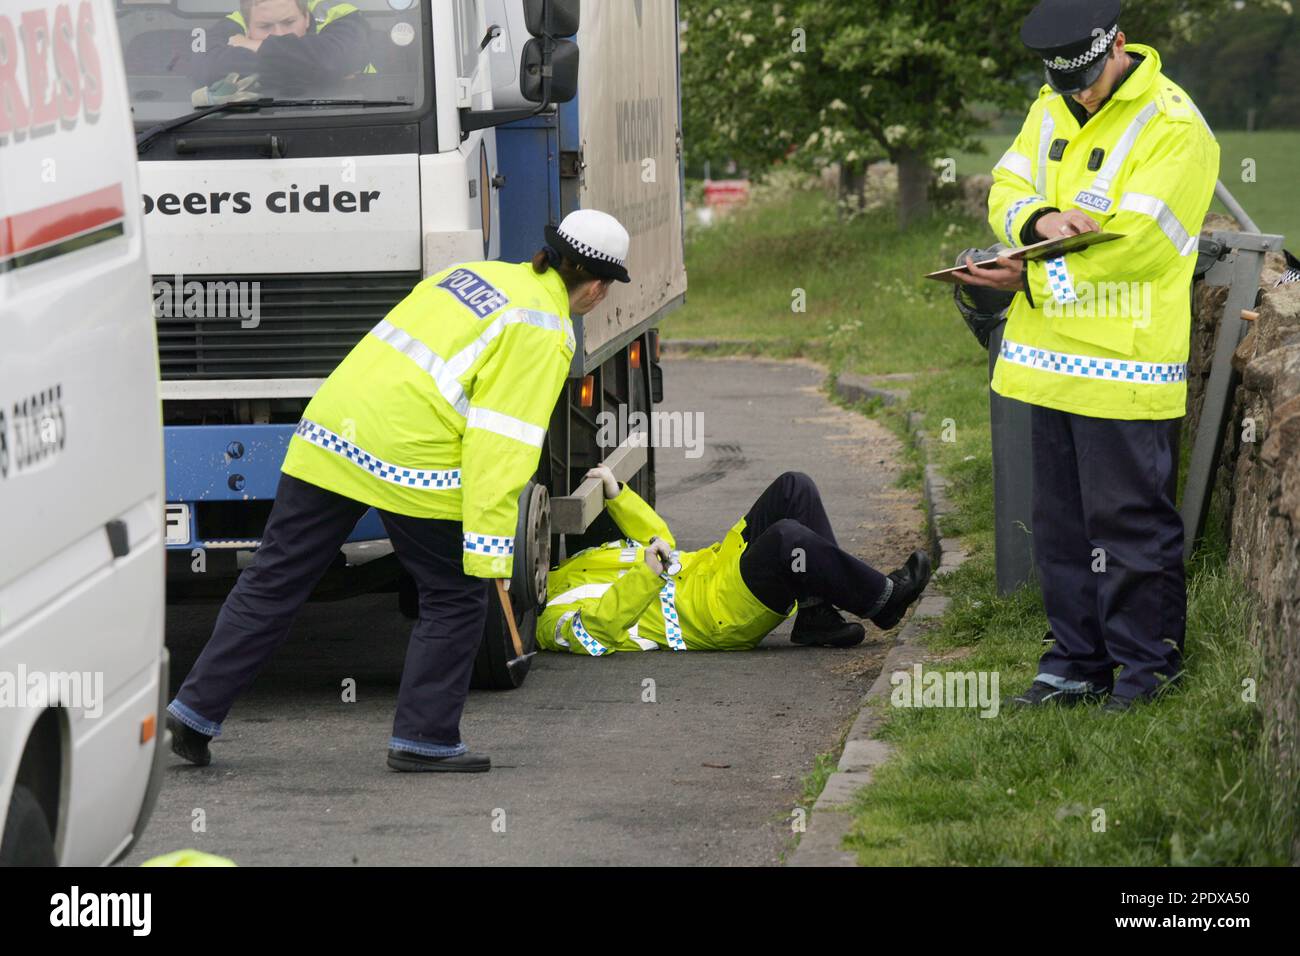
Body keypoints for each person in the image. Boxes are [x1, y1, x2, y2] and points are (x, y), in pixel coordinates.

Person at [165, 209, 632, 773]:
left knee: (274, 577)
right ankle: (424, 739)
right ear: (598, 286)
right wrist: (490, 554)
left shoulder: (471, 275)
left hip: (333, 430)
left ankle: (194, 712)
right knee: (455, 596)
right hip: (411, 454)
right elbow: (500, 444)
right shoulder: (544, 330)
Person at [956, 0, 1219, 711]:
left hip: (1125, 369)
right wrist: (1040, 219)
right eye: (1067, 82)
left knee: (1129, 527)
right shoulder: (1052, 104)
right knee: (1063, 530)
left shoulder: (1173, 125)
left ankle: (1147, 672)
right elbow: (1007, 187)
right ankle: (1075, 663)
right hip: (1049, 365)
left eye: (1089, 80)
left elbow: (1143, 246)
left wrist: (1031, 279)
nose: (1082, 95)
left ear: (1119, 46)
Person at [537, 466, 932, 656]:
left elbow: (661, 542)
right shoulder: (545, 620)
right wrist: (645, 575)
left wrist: (617, 495)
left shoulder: (573, 565)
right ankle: (883, 600)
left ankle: (815, 616)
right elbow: (593, 636)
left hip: (714, 569)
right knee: (787, 539)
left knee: (794, 487)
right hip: (715, 614)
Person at [191, 0, 372, 90]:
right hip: (258, 126)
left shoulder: (341, 14)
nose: (279, 34)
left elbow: (336, 60)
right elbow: (204, 67)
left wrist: (256, 45)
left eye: (289, 22)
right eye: (265, 27)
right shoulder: (235, 22)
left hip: (351, 117)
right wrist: (316, 69)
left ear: (306, 17)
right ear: (247, 26)